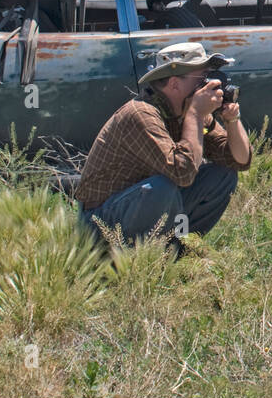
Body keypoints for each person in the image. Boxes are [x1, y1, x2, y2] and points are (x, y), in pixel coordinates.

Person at [75, 42, 252, 253]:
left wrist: (232, 119)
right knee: (162, 187)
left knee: (223, 175)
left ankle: (175, 252)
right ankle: (132, 260)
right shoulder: (141, 114)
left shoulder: (188, 111)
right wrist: (195, 114)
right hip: (102, 221)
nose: (210, 84)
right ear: (175, 84)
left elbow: (240, 160)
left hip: (143, 207)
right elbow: (182, 173)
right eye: (202, 79)